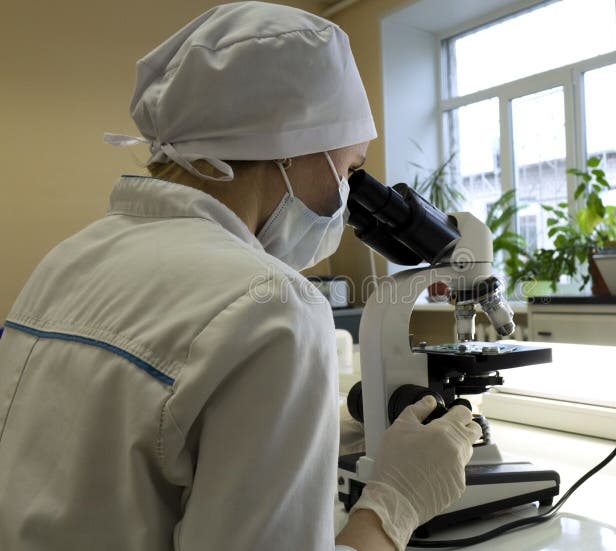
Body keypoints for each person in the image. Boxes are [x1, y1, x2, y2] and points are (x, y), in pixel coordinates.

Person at [0, 3, 481, 551]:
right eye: (348, 171)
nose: (347, 197)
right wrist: (394, 504)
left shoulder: (67, 259)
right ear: (291, 148)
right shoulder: (274, 308)